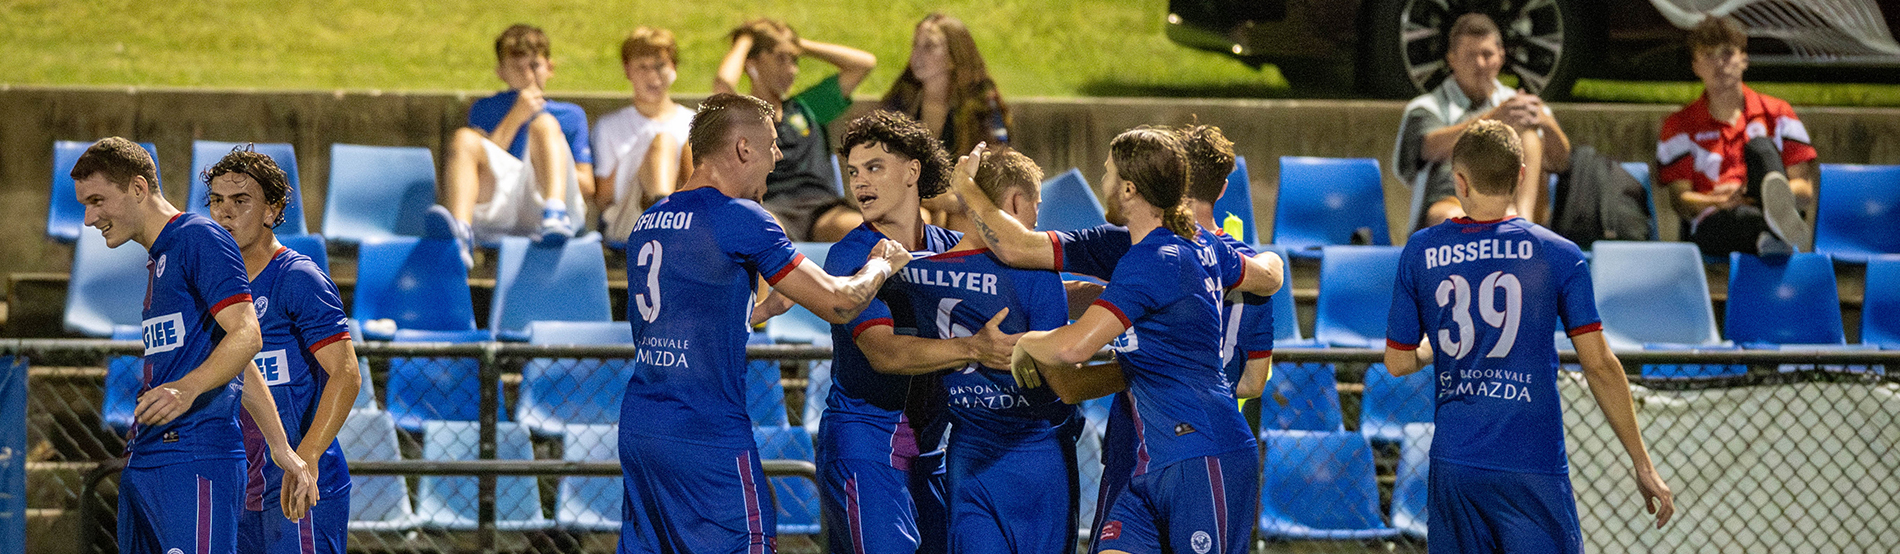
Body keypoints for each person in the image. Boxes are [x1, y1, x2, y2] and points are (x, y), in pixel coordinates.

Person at [618, 93, 912, 554]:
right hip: (706, 430)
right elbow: (840, 304)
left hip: (641, 428)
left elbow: (691, 314)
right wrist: (882, 263)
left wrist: (764, 309)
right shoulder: (743, 218)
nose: (778, 156)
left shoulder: (648, 221)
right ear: (742, 148)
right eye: (772, 144)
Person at [1383, 119, 1674, 553]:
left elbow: (1398, 361)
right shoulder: (1559, 254)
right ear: (1521, 176)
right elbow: (1599, 365)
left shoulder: (1422, 251)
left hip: (1456, 461)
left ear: (1460, 182)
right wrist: (1642, 463)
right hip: (1531, 462)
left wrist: (1429, 351)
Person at [1009, 129, 1258, 554]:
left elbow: (1073, 347)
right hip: (1151, 462)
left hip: (1202, 453)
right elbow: (1265, 275)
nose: (1102, 182)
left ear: (1128, 187)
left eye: (1106, 173)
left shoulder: (1156, 259)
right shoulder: (1188, 247)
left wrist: (1028, 341)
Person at [71, 137, 316, 554]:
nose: (90, 217)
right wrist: (279, 444)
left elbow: (247, 334)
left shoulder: (200, 237)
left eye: (97, 201)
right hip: (148, 457)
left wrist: (187, 388)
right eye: (84, 205)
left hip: (196, 457)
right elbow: (234, 355)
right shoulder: (162, 256)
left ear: (137, 188)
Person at [816, 110, 992, 554]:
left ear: (913, 171)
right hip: (865, 441)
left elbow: (1022, 292)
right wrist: (973, 347)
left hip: (930, 449)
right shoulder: (852, 254)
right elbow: (885, 355)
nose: (860, 183)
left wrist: (1114, 298)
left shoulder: (948, 247)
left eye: (874, 168)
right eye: (853, 172)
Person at [900, 148, 1078, 554]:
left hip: (967, 459)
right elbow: (1063, 378)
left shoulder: (920, 273)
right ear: (1017, 202)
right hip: (1038, 459)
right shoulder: (1038, 276)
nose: (1036, 222)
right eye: (1035, 208)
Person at [201, 146, 360, 554]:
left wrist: (305, 458)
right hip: (234, 485)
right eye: (216, 201)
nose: (225, 212)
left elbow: (346, 375)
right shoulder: (206, 284)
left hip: (296, 486)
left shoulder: (298, 278)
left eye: (241, 201)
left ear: (272, 211)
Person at [427, 23, 595, 266]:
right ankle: (460, 235)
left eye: (534, 65)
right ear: (501, 72)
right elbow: (483, 168)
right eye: (517, 68)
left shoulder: (571, 115)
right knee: (464, 138)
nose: (527, 75)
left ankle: (555, 214)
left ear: (550, 68)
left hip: (548, 204)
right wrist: (517, 117)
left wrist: (548, 164)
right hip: (502, 205)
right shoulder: (485, 109)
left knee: (545, 125)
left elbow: (588, 186)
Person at [1393, 13, 1572, 229]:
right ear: (1452, 59)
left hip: (1511, 207)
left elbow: (1561, 163)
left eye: (1487, 54)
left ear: (1501, 56)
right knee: (1450, 218)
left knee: (1528, 134)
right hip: (1452, 204)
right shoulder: (1426, 108)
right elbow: (1428, 147)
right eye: (1470, 55)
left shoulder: (1518, 104)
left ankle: (1524, 227)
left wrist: (1545, 123)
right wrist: (1495, 118)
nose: (1480, 64)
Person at [1658, 15, 1817, 256]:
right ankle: (1774, 235)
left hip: (1761, 206)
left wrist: (1756, 195)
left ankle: (1774, 225)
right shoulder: (1678, 125)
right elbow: (1681, 200)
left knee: (1761, 146)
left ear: (1744, 59)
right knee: (1739, 217)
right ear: (1695, 66)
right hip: (1715, 220)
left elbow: (1804, 192)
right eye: (1709, 56)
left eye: (1727, 53)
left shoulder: (1778, 114)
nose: (1720, 64)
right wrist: (1717, 201)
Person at [714, 18, 875, 242]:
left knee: (871, 235)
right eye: (781, 59)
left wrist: (801, 45)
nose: (791, 70)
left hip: (823, 211)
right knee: (761, 231)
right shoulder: (743, 116)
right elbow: (722, 85)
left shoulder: (808, 106)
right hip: (770, 208)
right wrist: (745, 39)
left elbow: (864, 64)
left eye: (794, 60)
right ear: (752, 63)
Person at [881, 13, 1013, 230]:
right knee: (914, 220)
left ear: (954, 55)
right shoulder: (901, 102)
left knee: (965, 221)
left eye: (929, 46)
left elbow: (995, 170)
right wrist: (934, 200)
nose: (917, 55)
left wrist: (949, 200)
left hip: (964, 200)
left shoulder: (981, 106)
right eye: (916, 45)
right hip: (909, 199)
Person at [593, 26, 694, 243]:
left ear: (673, 68)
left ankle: (669, 217)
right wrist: (642, 160)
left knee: (690, 144)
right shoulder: (610, 126)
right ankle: (663, 217)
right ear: (628, 70)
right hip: (631, 220)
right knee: (663, 143)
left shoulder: (691, 121)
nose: (652, 76)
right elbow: (603, 199)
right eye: (643, 67)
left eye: (660, 66)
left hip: (688, 218)